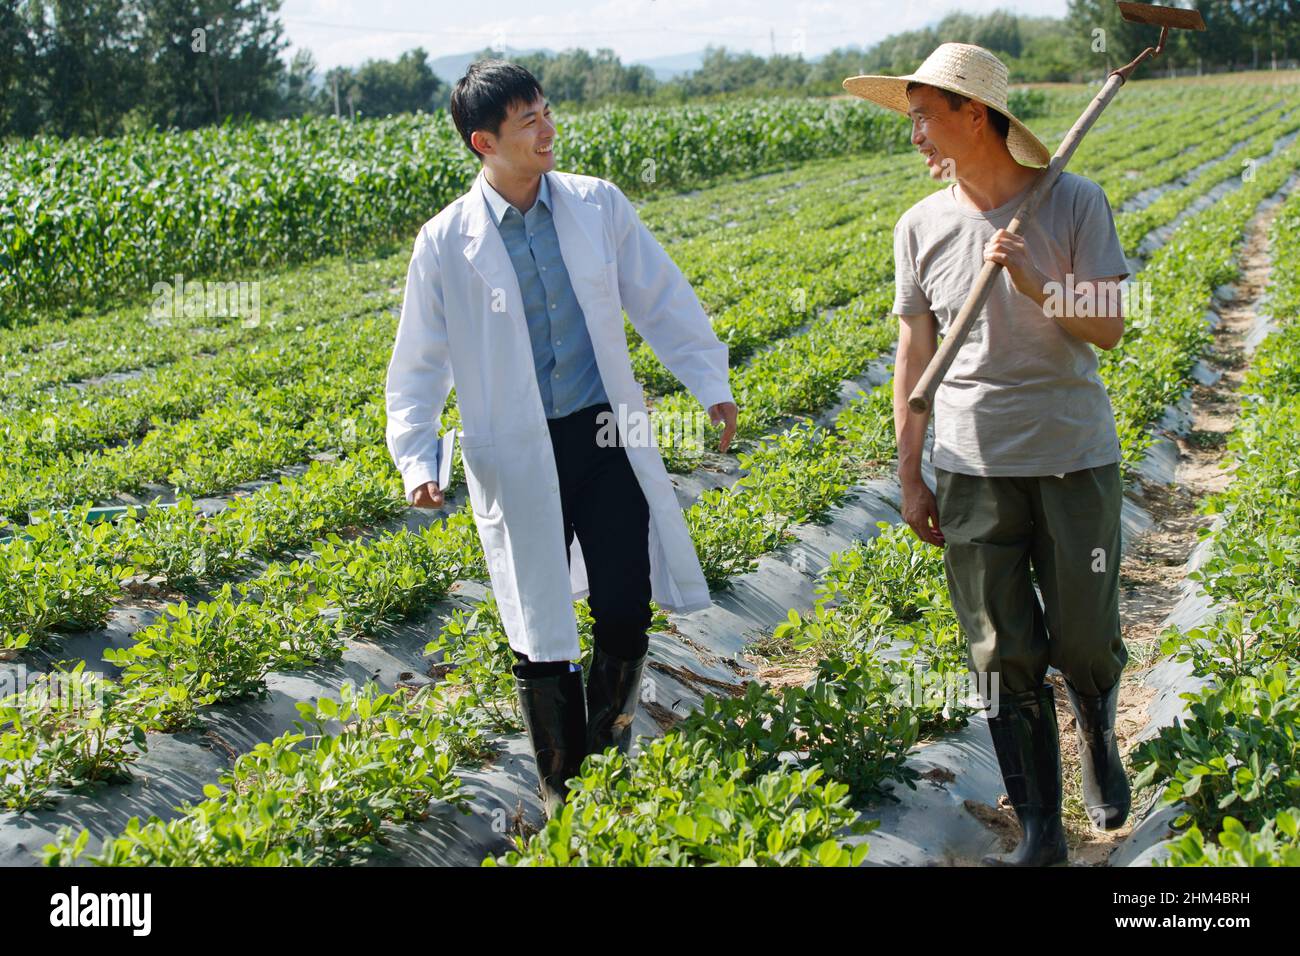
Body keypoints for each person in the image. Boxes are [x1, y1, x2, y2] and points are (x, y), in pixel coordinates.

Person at [384, 60, 738, 819]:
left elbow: (661, 293)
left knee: (623, 602)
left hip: (604, 434)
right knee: (537, 617)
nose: (548, 130)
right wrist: (418, 458)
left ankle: (605, 767)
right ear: (485, 141)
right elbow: (418, 362)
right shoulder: (446, 242)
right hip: (515, 450)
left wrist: (710, 380)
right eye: (528, 122)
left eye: (546, 112)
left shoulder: (595, 205)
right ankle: (562, 789)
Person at [844, 43, 1132, 865]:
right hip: (970, 462)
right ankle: (1041, 823)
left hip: (1072, 455)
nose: (916, 136)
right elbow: (913, 355)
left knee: (1081, 635)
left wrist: (1040, 284)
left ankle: (1096, 722)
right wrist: (909, 469)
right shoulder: (921, 225)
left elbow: (1109, 325)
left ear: (976, 115)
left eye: (925, 117)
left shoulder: (1073, 202)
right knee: (999, 650)